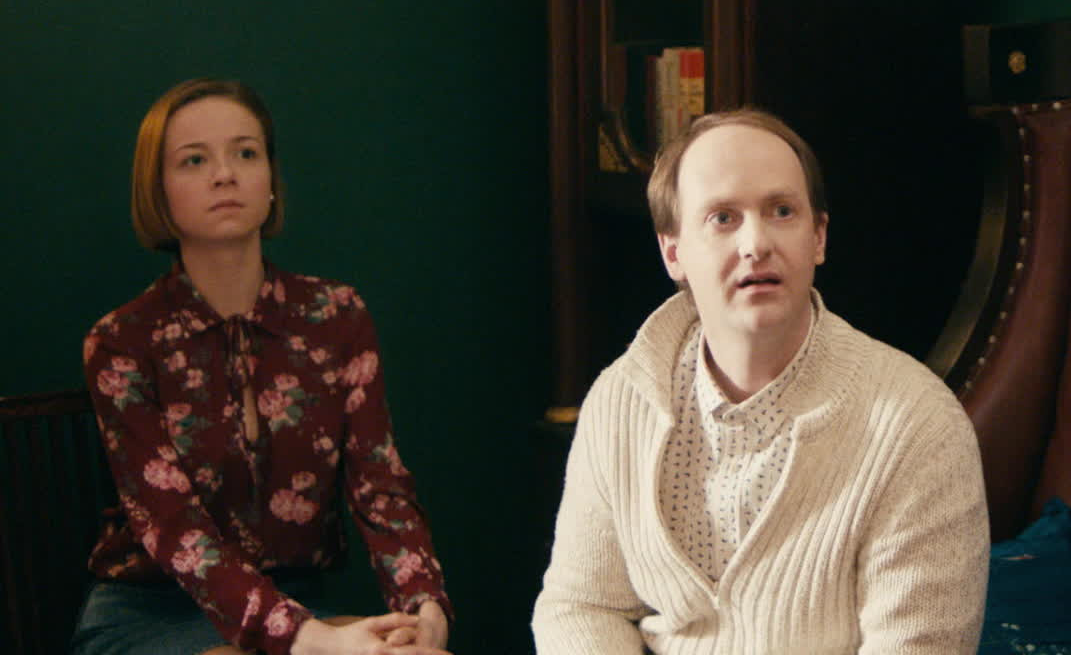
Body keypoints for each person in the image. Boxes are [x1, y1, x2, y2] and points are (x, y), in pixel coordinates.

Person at [532, 108, 989, 654]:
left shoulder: (917, 425)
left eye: (782, 211)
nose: (756, 243)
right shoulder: (621, 401)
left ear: (818, 237)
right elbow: (581, 605)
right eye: (723, 217)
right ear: (673, 252)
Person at [74, 79, 452, 655]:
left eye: (246, 153)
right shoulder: (120, 343)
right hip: (152, 613)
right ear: (158, 191)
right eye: (194, 160)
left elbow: (379, 484)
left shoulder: (335, 316)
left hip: (299, 605)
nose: (225, 174)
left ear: (270, 178)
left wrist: (424, 607)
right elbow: (174, 530)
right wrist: (311, 639)